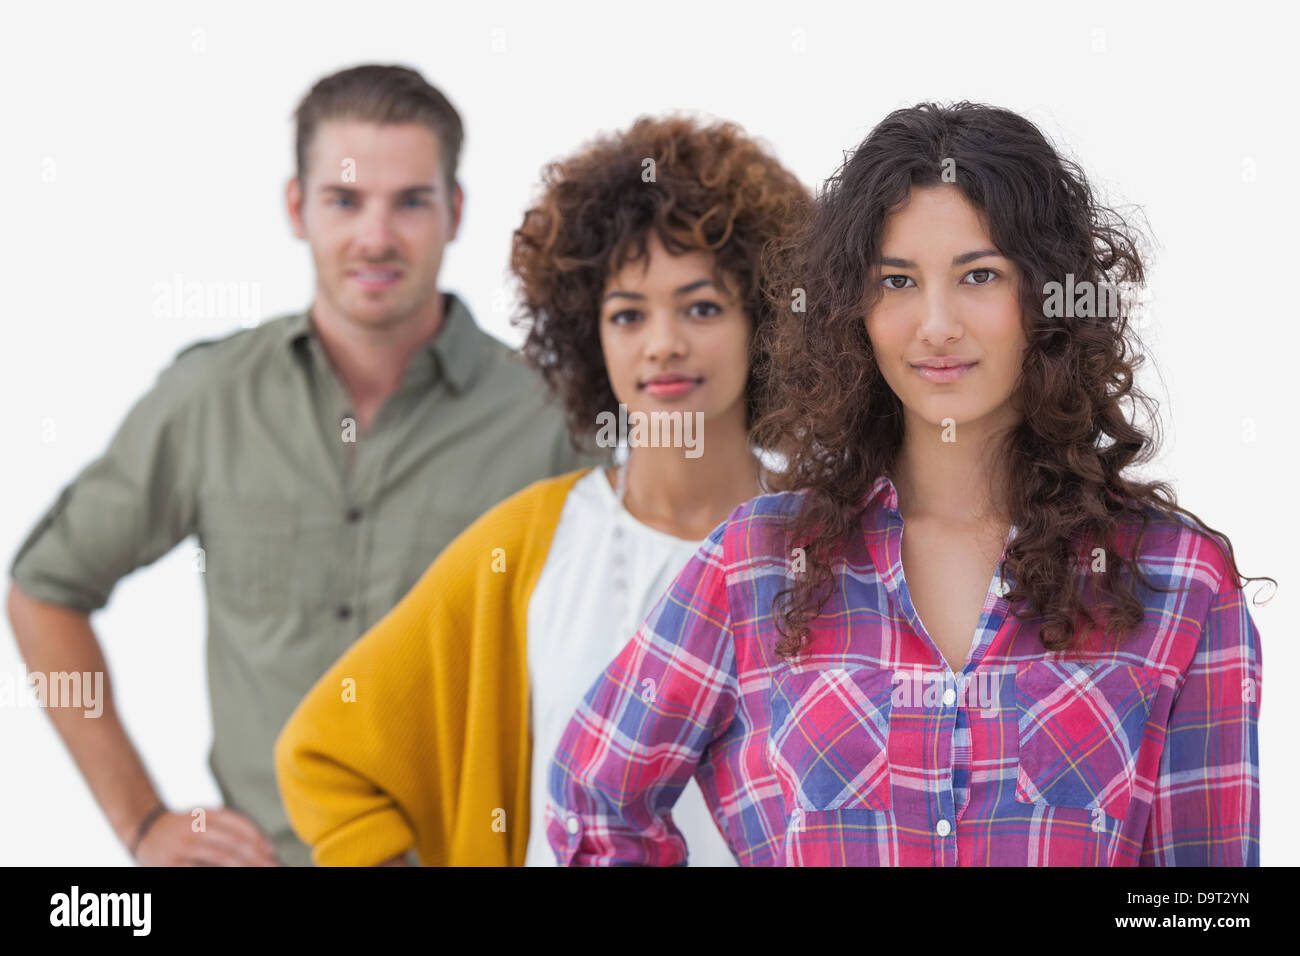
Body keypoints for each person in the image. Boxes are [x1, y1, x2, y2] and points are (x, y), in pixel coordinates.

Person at [546, 101, 1269, 866]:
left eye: (979, 275)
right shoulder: (754, 563)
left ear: (1046, 297)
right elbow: (595, 804)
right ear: (853, 310)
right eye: (896, 281)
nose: (935, 325)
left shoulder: (1177, 580)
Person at [6, 64, 601, 867]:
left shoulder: (551, 419)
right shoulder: (209, 399)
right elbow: (45, 590)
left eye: (411, 202)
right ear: (297, 207)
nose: (376, 238)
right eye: (345, 200)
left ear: (455, 211)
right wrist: (142, 822)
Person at [273, 114, 810, 866]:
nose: (663, 343)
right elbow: (326, 753)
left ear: (765, 322)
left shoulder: (842, 541)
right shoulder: (527, 546)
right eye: (628, 314)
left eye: (702, 307)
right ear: (588, 332)